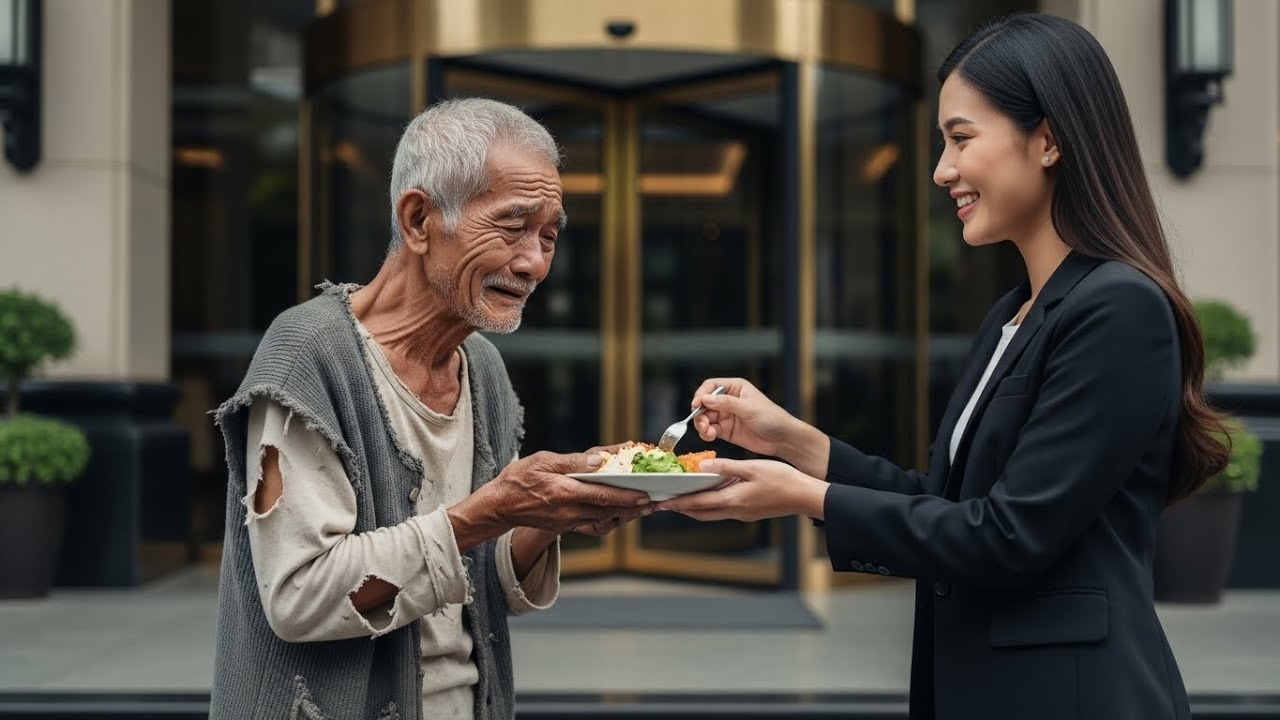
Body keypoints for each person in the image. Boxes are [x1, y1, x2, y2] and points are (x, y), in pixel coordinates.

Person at [658, 13, 1228, 720]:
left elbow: (1008, 537)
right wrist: (791, 444)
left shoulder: (1119, 309)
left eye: (960, 138)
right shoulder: (1012, 316)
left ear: (1048, 139)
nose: (940, 170)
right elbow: (952, 505)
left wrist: (803, 497)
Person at [209, 98, 653, 719]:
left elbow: (484, 579)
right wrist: (488, 510)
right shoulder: (309, 356)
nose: (533, 263)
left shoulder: (483, 369)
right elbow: (299, 597)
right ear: (419, 219)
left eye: (548, 237)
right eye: (511, 226)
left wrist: (551, 511)